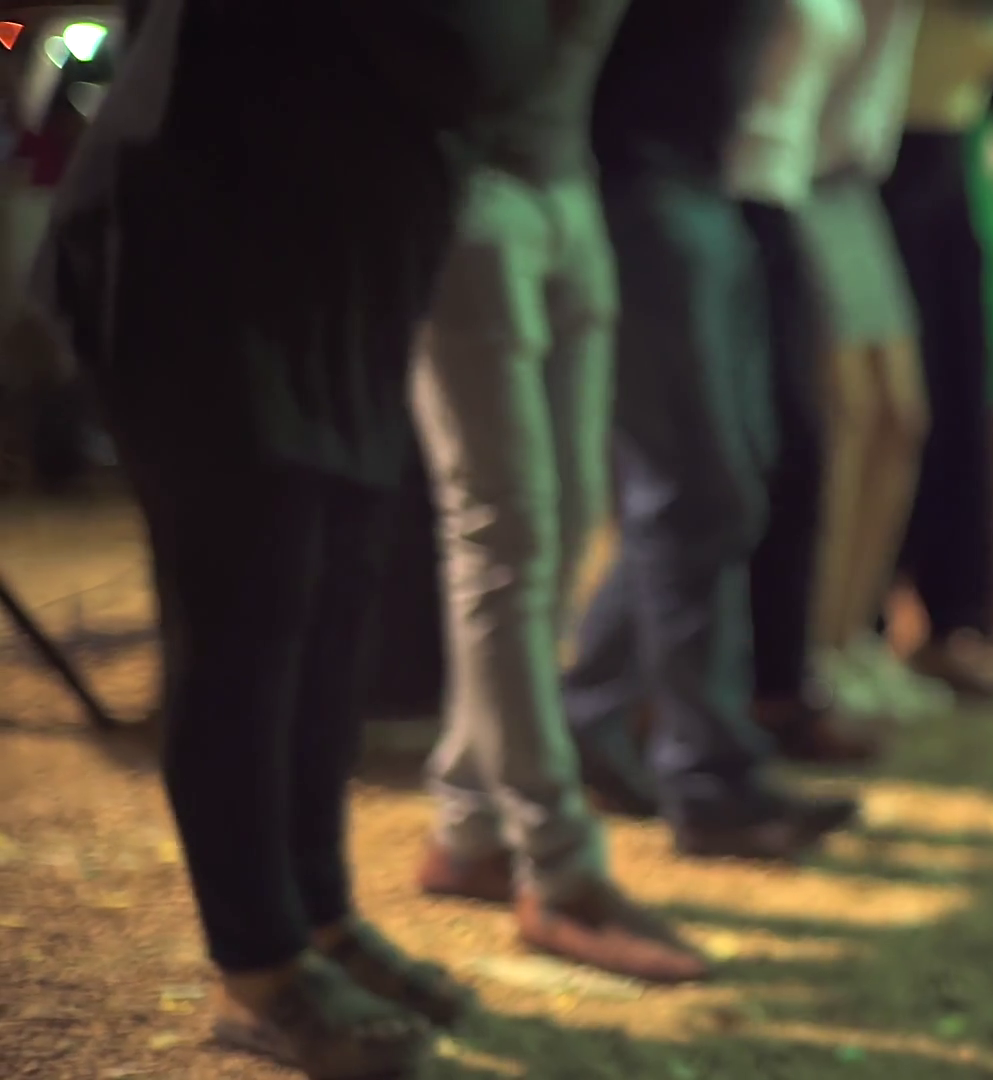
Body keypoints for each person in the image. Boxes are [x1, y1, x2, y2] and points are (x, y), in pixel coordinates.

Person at [33, 0, 548, 1075]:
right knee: (251, 603)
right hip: (212, 236)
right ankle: (259, 963)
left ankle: (318, 912)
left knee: (332, 592)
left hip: (346, 265)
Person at [406, 0, 711, 984]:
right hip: (469, 194)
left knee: (569, 524)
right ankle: (560, 865)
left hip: (567, 183)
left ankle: (469, 823)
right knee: (504, 540)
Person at [560, 0, 861, 858]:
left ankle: (591, 715)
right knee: (698, 494)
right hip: (641, 188)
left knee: (719, 491)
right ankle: (709, 780)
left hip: (705, 184)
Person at [729, 0, 889, 762]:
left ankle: (784, 683)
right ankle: (681, 698)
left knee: (801, 449)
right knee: (736, 467)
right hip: (733, 196)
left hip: (789, 196)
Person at [801, 0, 960, 722]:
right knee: (852, 419)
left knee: (901, 418)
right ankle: (815, 647)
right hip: (803, 176)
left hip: (856, 184)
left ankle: (852, 638)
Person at [881, 0, 993, 698]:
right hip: (886, 168)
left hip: (953, 166)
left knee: (960, 402)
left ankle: (957, 615)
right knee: (896, 412)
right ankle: (871, 626)